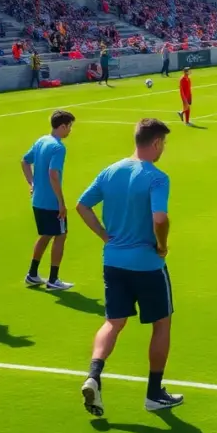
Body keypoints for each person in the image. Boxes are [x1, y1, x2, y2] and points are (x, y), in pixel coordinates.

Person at [77, 118, 183, 417]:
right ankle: (154, 393)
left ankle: (93, 375)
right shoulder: (157, 177)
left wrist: (104, 235)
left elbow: (83, 205)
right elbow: (160, 219)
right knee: (161, 323)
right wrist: (161, 246)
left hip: (113, 261)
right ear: (156, 143)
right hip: (147, 263)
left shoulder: (111, 171)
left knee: (113, 322)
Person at [21, 110, 76, 290]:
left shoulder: (41, 141)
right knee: (61, 235)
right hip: (51, 202)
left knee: (45, 235)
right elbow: (53, 174)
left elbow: (24, 161)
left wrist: (32, 184)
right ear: (62, 126)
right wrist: (61, 202)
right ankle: (53, 279)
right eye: (69, 127)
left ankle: (32, 274)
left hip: (37, 200)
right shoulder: (59, 147)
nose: (70, 131)